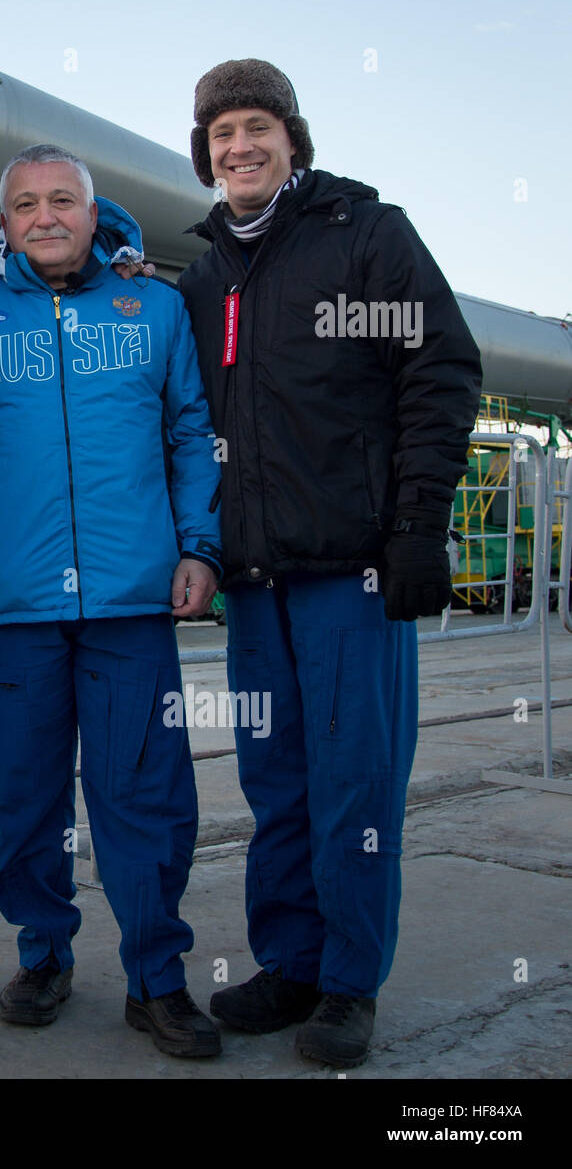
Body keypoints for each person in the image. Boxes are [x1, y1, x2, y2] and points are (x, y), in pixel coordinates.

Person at [177, 59, 482, 1067]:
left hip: (352, 569)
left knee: (354, 779)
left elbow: (439, 370)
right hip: (256, 578)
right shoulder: (204, 273)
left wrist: (416, 528)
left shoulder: (365, 235)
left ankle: (350, 982)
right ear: (205, 152)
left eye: (255, 125)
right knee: (276, 780)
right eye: (220, 133)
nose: (239, 146)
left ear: (290, 139)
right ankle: (292, 961)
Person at [0, 145, 225, 1058]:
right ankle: (44, 953)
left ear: (96, 215)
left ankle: (157, 978)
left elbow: (191, 434)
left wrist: (199, 546)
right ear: (3, 224)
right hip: (14, 609)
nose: (44, 216)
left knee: (144, 793)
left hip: (132, 603)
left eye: (63, 201)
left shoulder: (155, 308)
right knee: (24, 797)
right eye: (24, 205)